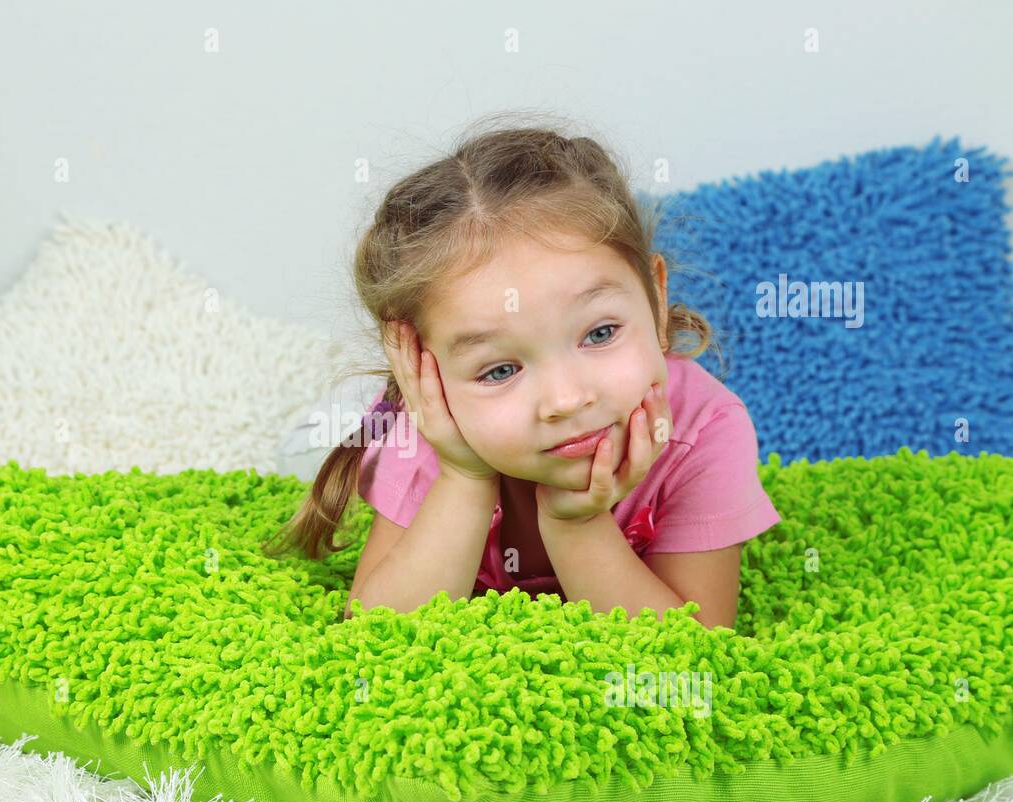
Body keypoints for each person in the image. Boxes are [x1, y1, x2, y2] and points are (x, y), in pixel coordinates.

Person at [265, 119, 780, 629]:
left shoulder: (703, 430)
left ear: (656, 297)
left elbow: (696, 650)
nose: (567, 398)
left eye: (599, 334)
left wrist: (574, 523)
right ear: (428, 375)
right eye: (500, 369)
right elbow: (375, 633)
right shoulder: (432, 433)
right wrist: (465, 477)